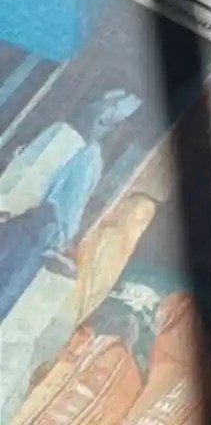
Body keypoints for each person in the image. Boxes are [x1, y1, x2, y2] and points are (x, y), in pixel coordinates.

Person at [0, 89, 142, 320]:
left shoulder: (89, 156)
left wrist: (22, 222)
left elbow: (62, 214)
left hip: (26, 236)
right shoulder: (61, 134)